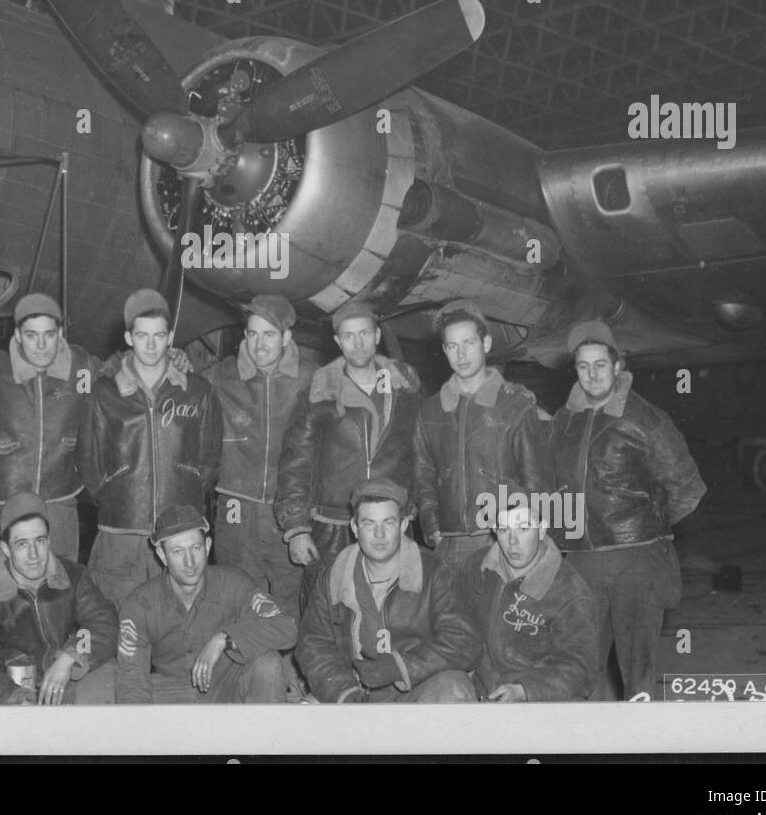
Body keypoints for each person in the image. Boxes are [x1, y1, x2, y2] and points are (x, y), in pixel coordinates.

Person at [550, 320, 707, 700]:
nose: (592, 374)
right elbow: (554, 487)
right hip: (582, 561)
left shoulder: (646, 419)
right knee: (578, 669)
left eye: (600, 364)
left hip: (635, 562)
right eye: (583, 366)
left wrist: (645, 531)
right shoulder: (564, 421)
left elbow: (688, 489)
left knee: (636, 677)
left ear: (617, 365)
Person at [274, 299, 422, 613]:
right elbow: (296, 461)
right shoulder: (321, 390)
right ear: (338, 341)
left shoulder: (403, 386)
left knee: (389, 611)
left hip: (388, 522)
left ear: (377, 335)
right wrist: (297, 527)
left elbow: (417, 452)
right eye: (349, 336)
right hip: (333, 526)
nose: (358, 343)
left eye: (364, 333)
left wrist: (411, 507)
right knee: (329, 611)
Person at [80, 289, 223, 608]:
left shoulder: (198, 391)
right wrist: (116, 496)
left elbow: (210, 460)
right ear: (129, 338)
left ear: (170, 337)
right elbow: (90, 462)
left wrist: (184, 494)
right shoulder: (104, 394)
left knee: (178, 628)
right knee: (118, 622)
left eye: (159, 335)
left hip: (179, 532)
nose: (150, 344)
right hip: (121, 533)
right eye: (141, 335)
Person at [296, 480, 481, 703]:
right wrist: (344, 692)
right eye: (369, 523)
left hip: (415, 692)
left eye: (389, 523)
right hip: (356, 695)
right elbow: (314, 644)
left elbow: (465, 641)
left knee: (453, 687)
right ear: (355, 528)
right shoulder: (334, 577)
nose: (380, 534)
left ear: (403, 526)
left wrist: (401, 668)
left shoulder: (433, 573)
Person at [413, 300, 551, 570]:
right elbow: (423, 473)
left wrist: (529, 537)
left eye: (469, 343)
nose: (461, 355)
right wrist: (433, 527)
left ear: (486, 344)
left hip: (501, 539)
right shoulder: (430, 410)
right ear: (444, 350)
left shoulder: (515, 405)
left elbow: (537, 479)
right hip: (449, 542)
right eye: (452, 346)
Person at [116, 505, 297, 704]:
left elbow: (286, 626)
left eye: (196, 548)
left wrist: (224, 639)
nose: (189, 562)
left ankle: (264, 734)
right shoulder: (140, 604)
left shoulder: (233, 583)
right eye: (177, 551)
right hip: (171, 692)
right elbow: (132, 680)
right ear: (162, 555)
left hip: (225, 686)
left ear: (208, 546)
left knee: (268, 663)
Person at [206, 295, 316, 617]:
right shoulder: (221, 375)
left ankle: (284, 666)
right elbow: (180, 385)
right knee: (237, 598)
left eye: (269, 335)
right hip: (235, 507)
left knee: (291, 600)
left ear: (286, 337)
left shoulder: (311, 378)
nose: (259, 344)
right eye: (252, 334)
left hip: (288, 508)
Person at [0, 293, 97, 577]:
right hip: (1, 503)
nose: (41, 345)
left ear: (60, 333)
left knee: (60, 591)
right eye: (31, 335)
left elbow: (122, 372)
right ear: (17, 335)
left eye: (49, 334)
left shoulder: (81, 367)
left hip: (59, 504)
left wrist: (173, 356)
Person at [0, 493, 117, 705]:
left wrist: (68, 658)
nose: (34, 554)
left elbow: (103, 623)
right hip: (16, 690)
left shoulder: (74, 576)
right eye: (22, 544)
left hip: (65, 680)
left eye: (40, 541)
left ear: (49, 541)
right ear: (6, 549)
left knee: (108, 675)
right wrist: (21, 701)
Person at [456, 503, 600, 702]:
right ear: (494, 531)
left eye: (523, 529)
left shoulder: (570, 591)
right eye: (504, 530)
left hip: (537, 694)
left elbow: (581, 671)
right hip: (479, 686)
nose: (513, 541)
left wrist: (524, 690)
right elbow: (457, 625)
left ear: (541, 530)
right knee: (447, 687)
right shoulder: (476, 567)